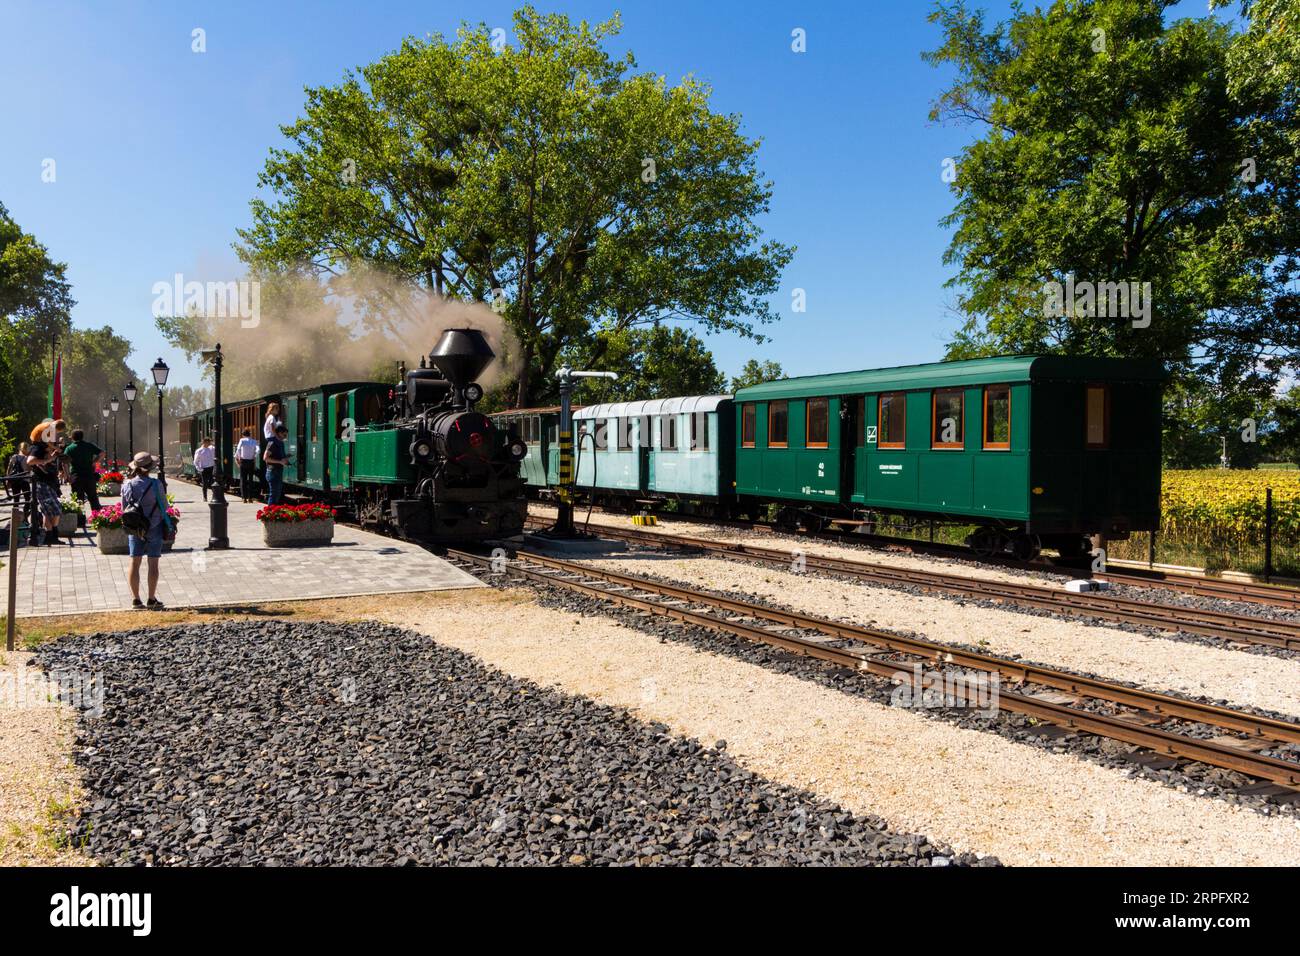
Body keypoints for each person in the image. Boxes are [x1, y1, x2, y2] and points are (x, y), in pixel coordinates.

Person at [121, 452, 171, 610]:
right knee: (153, 563)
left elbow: (124, 508)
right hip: (154, 526)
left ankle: (136, 600)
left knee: (134, 562)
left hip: (135, 528)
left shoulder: (127, 485)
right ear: (150, 468)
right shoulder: (156, 484)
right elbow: (166, 506)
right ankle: (151, 598)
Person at [25, 432, 64, 546]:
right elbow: (30, 461)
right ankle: (50, 535)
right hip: (42, 485)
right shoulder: (37, 448)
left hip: (50, 484)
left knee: (49, 512)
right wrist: (46, 460)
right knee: (55, 509)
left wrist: (54, 451)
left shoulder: (46, 447)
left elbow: (60, 452)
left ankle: (51, 536)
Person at [63, 429, 103, 512]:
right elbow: (102, 453)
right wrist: (94, 461)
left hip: (76, 476)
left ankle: (81, 521)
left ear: (72, 437)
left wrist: (68, 476)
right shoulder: (89, 445)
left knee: (78, 500)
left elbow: (64, 463)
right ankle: (97, 518)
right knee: (93, 498)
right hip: (89, 475)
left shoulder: (69, 448)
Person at [264, 423, 290, 505]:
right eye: (284, 434)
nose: (285, 436)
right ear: (279, 433)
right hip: (272, 471)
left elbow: (278, 457)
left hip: (278, 471)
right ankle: (270, 514)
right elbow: (265, 458)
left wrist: (286, 457)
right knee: (274, 494)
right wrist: (280, 462)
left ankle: (272, 514)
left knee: (277, 494)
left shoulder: (280, 443)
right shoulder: (273, 443)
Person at [235, 428, 259, 503]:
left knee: (243, 479)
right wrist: (255, 456)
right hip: (251, 461)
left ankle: (244, 498)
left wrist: (239, 458)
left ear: (243, 435)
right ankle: (250, 498)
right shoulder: (254, 441)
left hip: (243, 461)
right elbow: (258, 450)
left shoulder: (242, 440)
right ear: (250, 434)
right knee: (251, 480)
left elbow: (238, 449)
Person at [193, 436, 216, 501]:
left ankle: (214, 496)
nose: (209, 444)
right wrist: (199, 469)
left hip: (211, 468)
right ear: (204, 442)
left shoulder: (211, 449)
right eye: (208, 442)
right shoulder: (199, 451)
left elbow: (214, 448)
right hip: (204, 468)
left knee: (213, 483)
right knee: (205, 483)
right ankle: (205, 497)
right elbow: (195, 461)